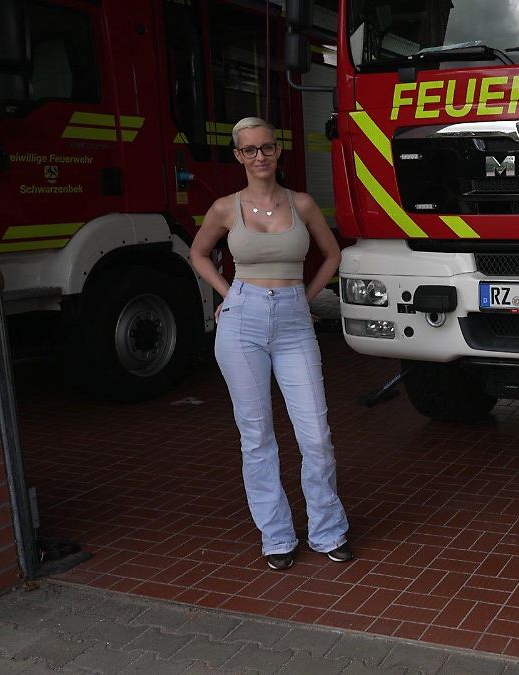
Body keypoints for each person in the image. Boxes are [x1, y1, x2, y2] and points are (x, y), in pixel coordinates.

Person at [189, 116, 351, 571]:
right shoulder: (225, 208)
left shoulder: (301, 203)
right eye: (249, 150)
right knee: (257, 435)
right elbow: (197, 253)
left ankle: (327, 529)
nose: (259, 156)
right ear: (238, 156)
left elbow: (333, 253)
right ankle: (276, 535)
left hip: (295, 322)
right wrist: (228, 296)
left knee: (315, 435)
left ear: (278, 151)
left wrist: (308, 296)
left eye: (266, 148)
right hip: (243, 320)